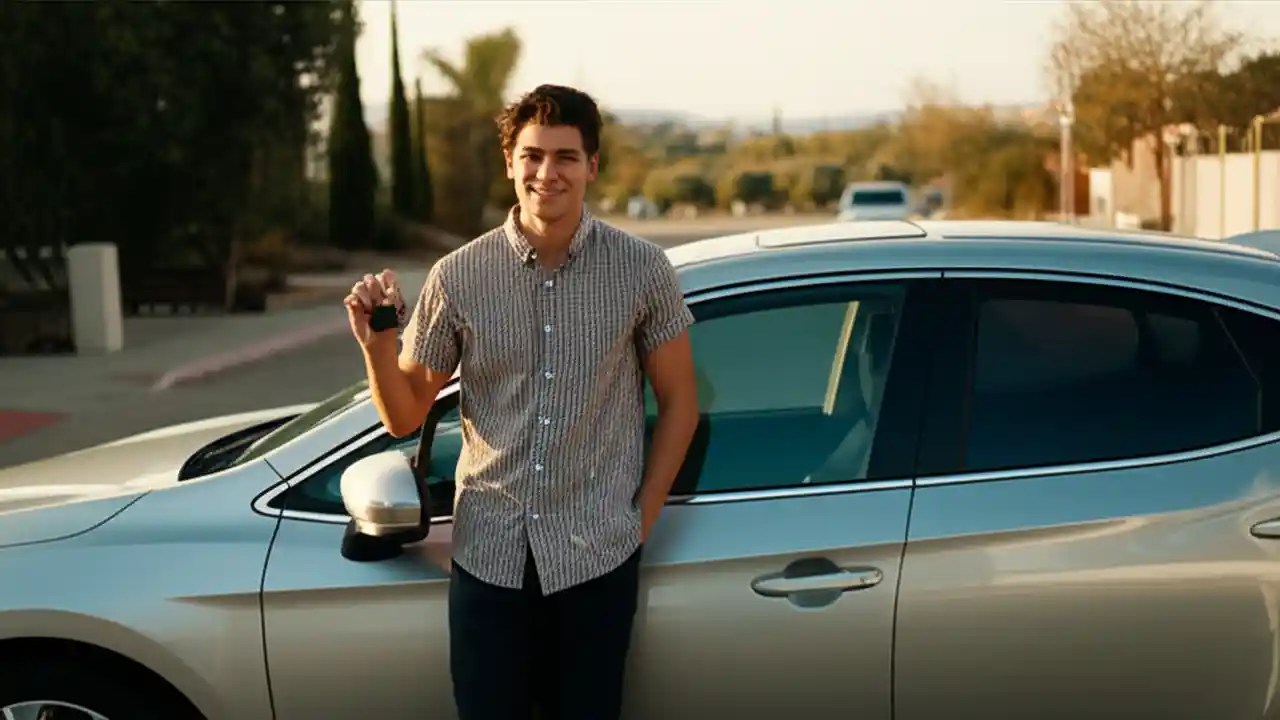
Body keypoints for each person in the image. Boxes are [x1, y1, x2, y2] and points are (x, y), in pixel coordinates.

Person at [343, 84, 700, 719]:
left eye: (566, 157)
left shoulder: (644, 271)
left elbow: (680, 405)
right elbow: (404, 415)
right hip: (489, 563)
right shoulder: (458, 276)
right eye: (532, 155)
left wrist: (636, 522)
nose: (547, 173)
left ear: (592, 166)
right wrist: (377, 345)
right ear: (509, 161)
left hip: (597, 560)